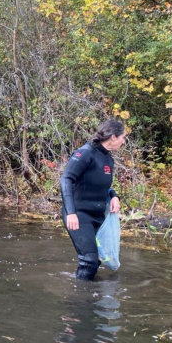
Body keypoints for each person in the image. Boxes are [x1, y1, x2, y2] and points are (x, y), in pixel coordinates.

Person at [60, 120, 126, 281]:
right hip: (78, 215)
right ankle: (80, 299)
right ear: (113, 137)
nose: (124, 141)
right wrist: (71, 213)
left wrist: (114, 196)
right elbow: (66, 179)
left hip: (97, 216)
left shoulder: (108, 158)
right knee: (89, 261)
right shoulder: (85, 153)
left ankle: (88, 296)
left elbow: (99, 184)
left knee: (96, 261)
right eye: (123, 137)